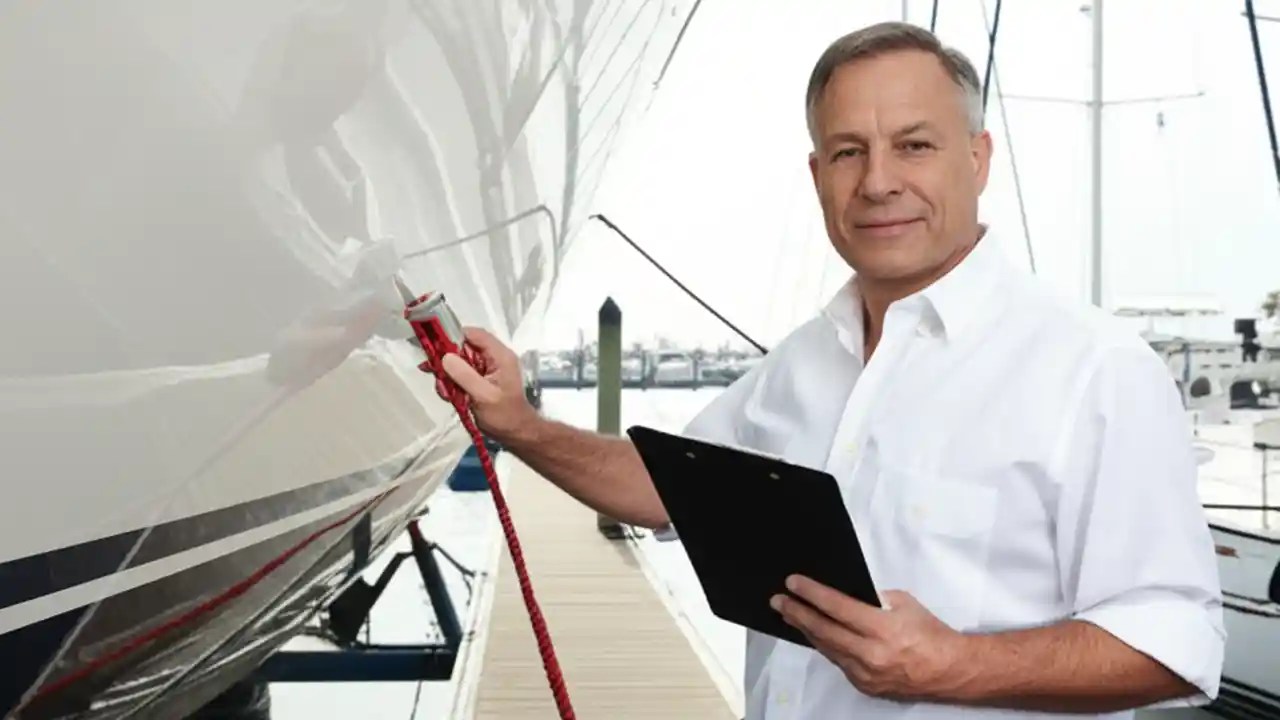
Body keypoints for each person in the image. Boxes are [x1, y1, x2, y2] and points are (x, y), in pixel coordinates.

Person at [435, 20, 1225, 720]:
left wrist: (954, 666)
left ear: (978, 160)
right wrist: (520, 425)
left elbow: (1175, 639)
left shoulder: (1095, 371)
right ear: (818, 176)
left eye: (914, 145)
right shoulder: (803, 362)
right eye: (850, 152)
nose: (878, 181)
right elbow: (662, 486)